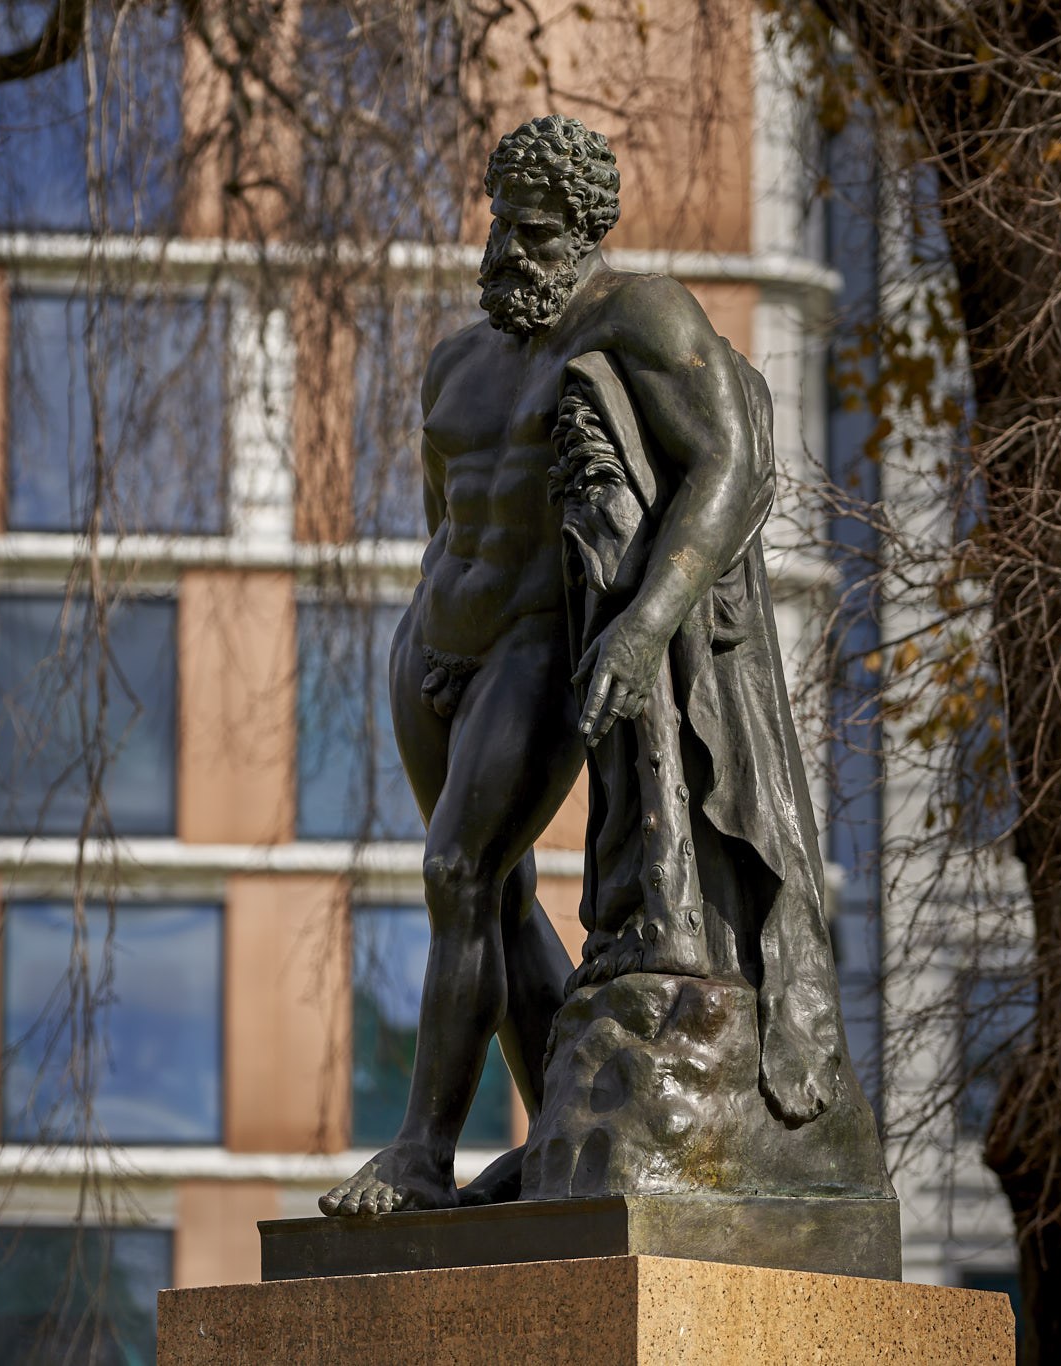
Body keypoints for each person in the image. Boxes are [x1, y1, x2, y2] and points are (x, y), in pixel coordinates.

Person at [321, 114, 851, 1216]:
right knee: (488, 890)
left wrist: (646, 618)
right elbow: (443, 518)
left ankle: (421, 1150)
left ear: (580, 233)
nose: (506, 251)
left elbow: (731, 461)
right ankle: (549, 1126)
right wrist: (426, 634)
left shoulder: (636, 316)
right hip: (433, 649)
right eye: (499, 225)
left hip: (535, 646)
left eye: (533, 231)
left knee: (455, 872)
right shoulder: (455, 362)